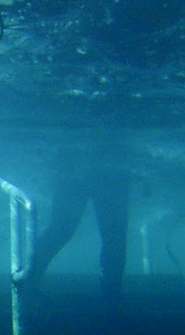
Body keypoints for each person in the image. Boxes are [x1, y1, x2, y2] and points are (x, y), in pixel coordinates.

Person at [23, 126, 133, 305]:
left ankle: (29, 284)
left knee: (62, 230)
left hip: (79, 162)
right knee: (113, 235)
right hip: (108, 165)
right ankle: (112, 295)